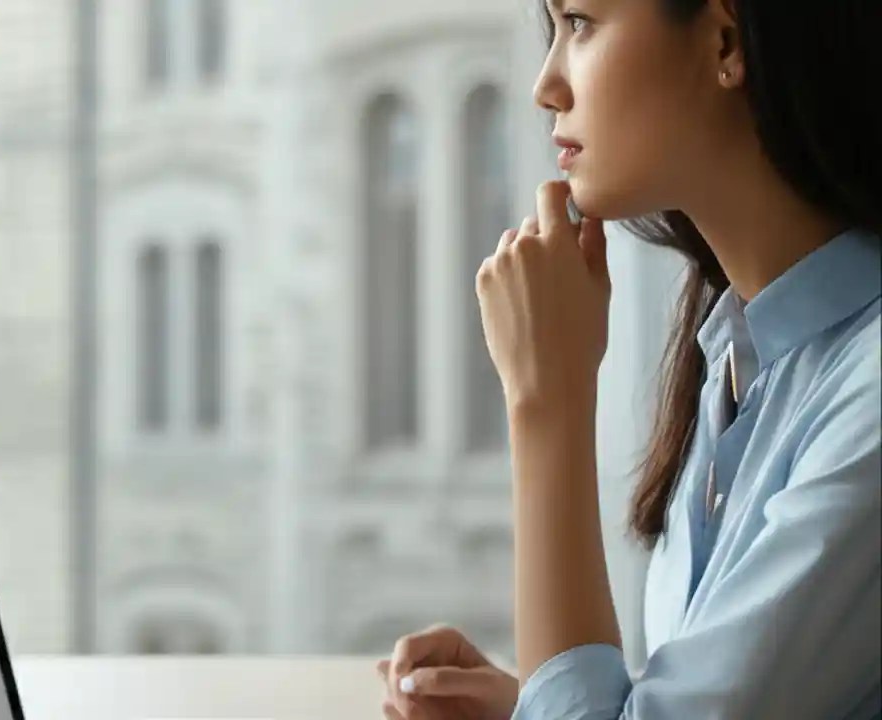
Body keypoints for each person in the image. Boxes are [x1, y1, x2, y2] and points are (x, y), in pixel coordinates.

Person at [377, 0, 881, 717]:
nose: (545, 84)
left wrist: (546, 403)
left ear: (725, 40)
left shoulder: (867, 394)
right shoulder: (737, 361)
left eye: (579, 23)